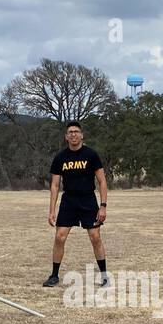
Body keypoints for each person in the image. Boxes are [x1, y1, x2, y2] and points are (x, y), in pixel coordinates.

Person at [43, 121, 110, 288]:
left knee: (95, 237)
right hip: (69, 201)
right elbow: (55, 185)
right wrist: (52, 210)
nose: (73, 134)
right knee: (59, 237)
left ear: (82, 135)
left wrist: (103, 205)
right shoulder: (60, 157)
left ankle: (104, 276)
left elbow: (102, 181)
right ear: (66, 137)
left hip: (88, 200)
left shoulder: (91, 155)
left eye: (76, 131)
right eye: (70, 132)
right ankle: (54, 275)